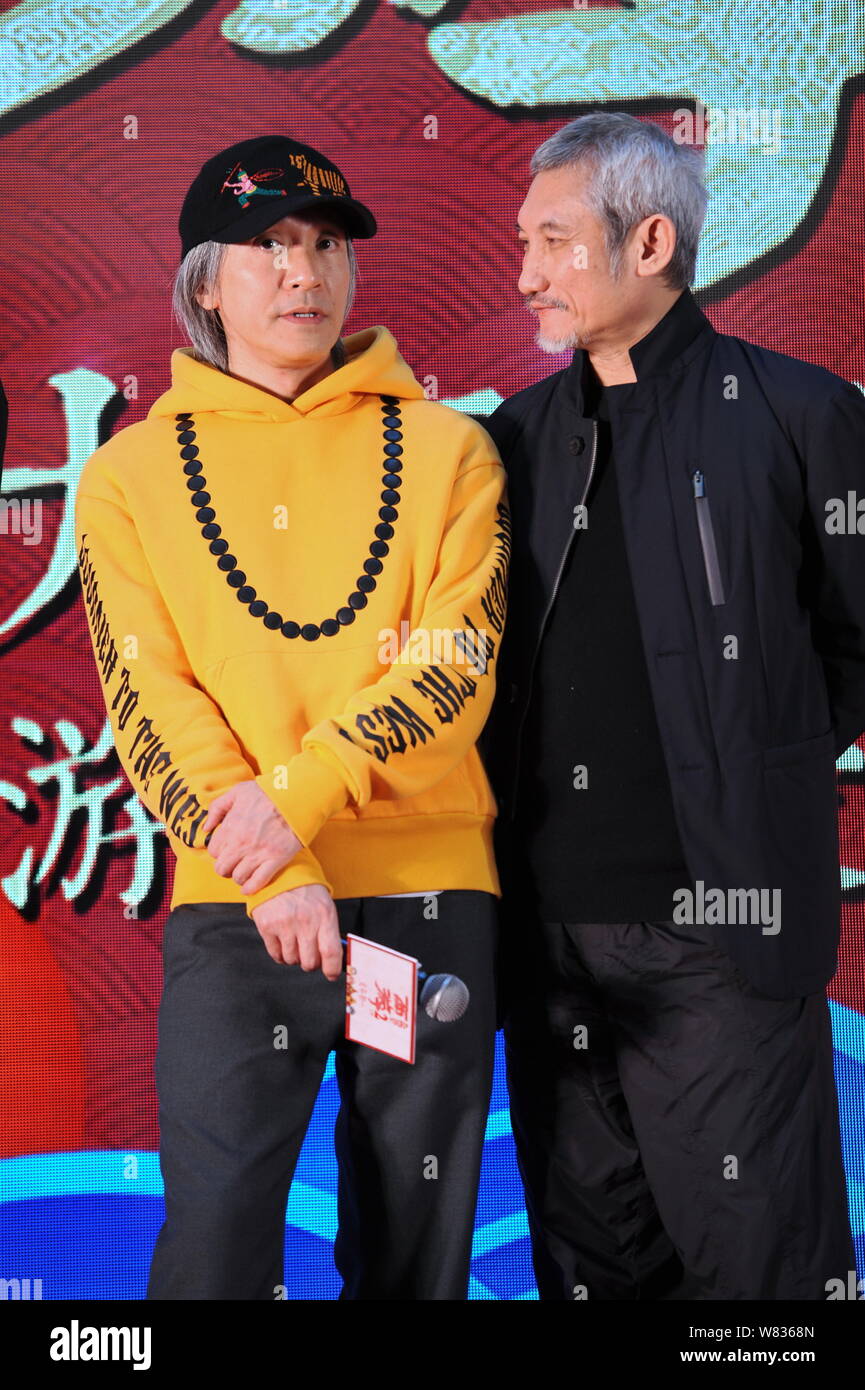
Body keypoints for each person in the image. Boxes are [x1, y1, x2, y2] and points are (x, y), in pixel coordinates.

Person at [74, 135, 510, 1300]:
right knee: (214, 1252)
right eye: (266, 245)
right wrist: (274, 867)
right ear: (205, 283)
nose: (303, 271)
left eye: (324, 244)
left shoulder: (452, 451)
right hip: (240, 909)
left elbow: (453, 668)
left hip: (417, 905)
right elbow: (149, 701)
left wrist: (298, 806)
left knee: (414, 1253)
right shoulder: (127, 477)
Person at [480, 111, 863, 1300]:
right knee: (589, 1269)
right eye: (523, 242)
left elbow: (853, 642)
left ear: (649, 242)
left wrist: (756, 759)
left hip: (723, 937)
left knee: (763, 1281)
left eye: (553, 240)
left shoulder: (801, 415)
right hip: (548, 946)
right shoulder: (513, 443)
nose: (526, 273)